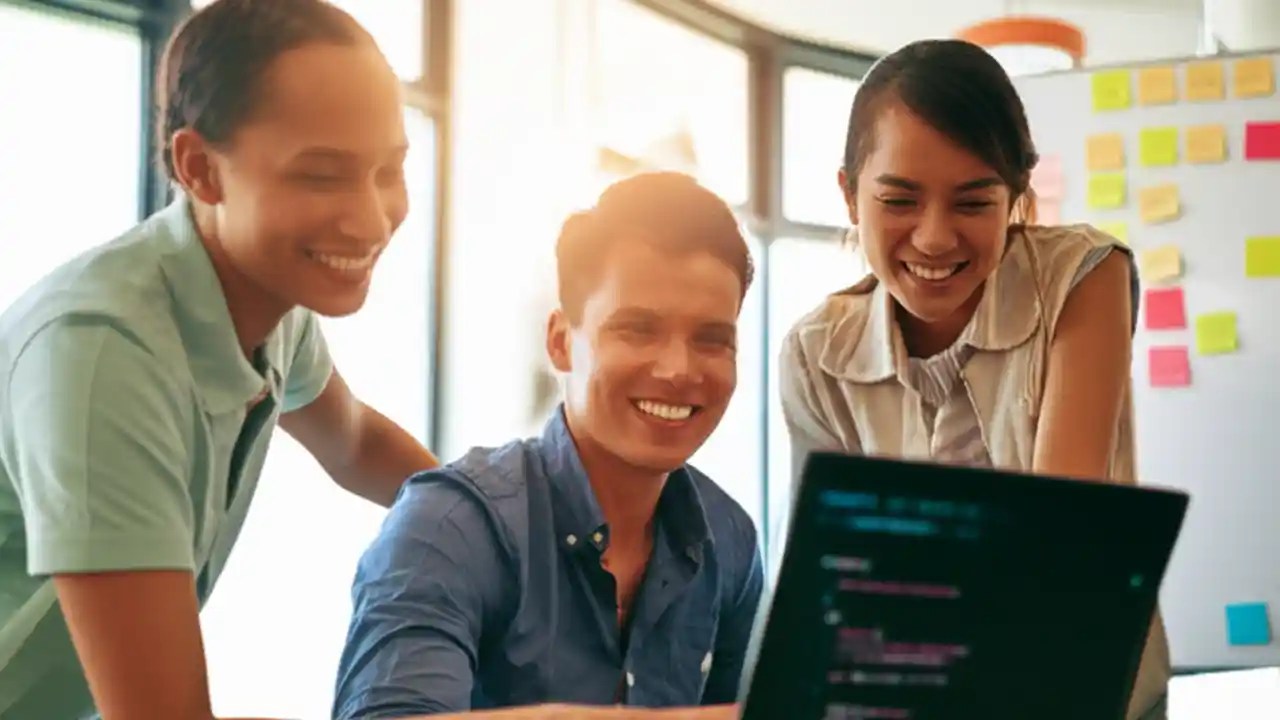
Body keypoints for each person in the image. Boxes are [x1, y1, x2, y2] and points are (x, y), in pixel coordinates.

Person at [0, 1, 442, 718]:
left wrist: (509, 529)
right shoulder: (102, 352)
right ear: (201, 169)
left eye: (388, 170)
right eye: (322, 176)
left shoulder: (271, 302)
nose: (371, 218)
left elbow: (354, 441)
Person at [777, 39, 1169, 720]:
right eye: (899, 200)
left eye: (973, 203)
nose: (933, 238)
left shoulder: (1082, 277)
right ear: (848, 194)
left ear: (1017, 195)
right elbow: (830, 577)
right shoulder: (816, 353)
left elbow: (1057, 531)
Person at [332, 172, 764, 718]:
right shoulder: (447, 525)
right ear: (561, 342)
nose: (678, 370)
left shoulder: (731, 542)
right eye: (638, 330)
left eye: (711, 339)